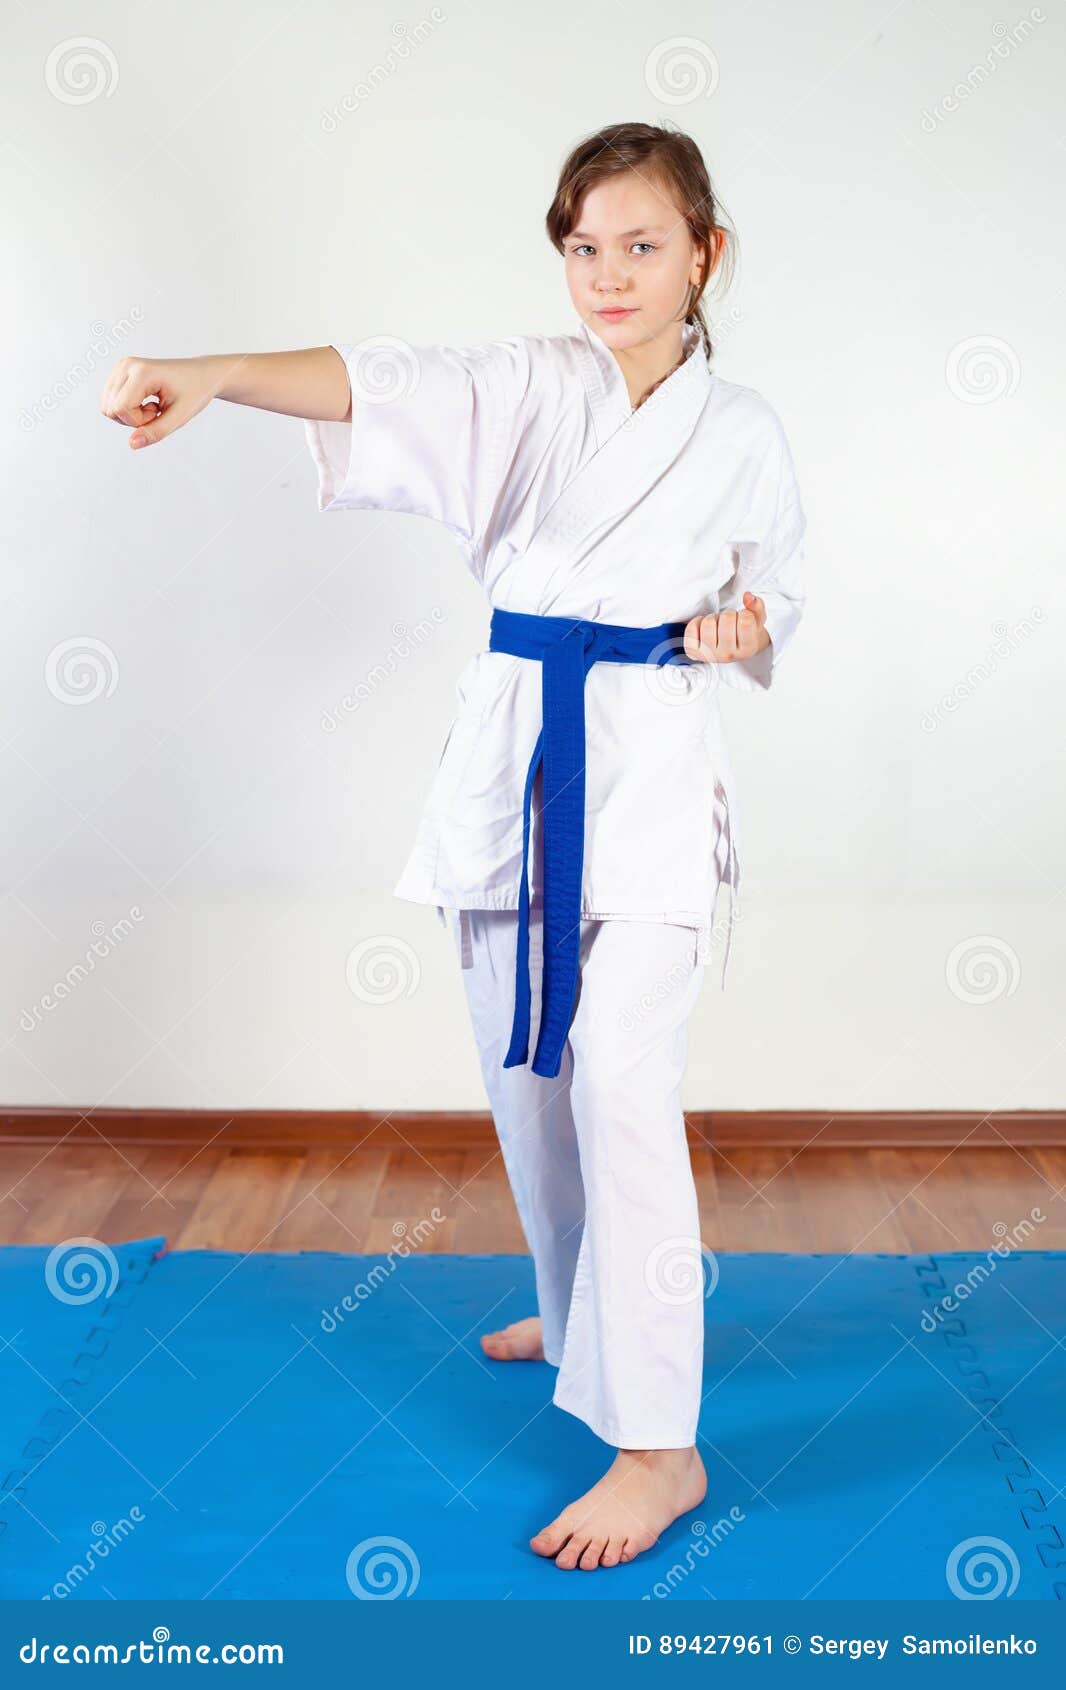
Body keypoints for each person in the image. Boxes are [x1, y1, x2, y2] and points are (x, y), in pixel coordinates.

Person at [100, 119, 806, 1574]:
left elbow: (771, 597)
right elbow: (378, 381)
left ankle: (658, 1444)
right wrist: (222, 375)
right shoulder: (531, 385)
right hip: (511, 760)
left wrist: (745, 628)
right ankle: (577, 1295)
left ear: (703, 254)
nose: (606, 275)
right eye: (581, 247)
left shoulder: (742, 431)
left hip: (650, 779)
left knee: (618, 1077)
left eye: (640, 245)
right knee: (524, 1072)